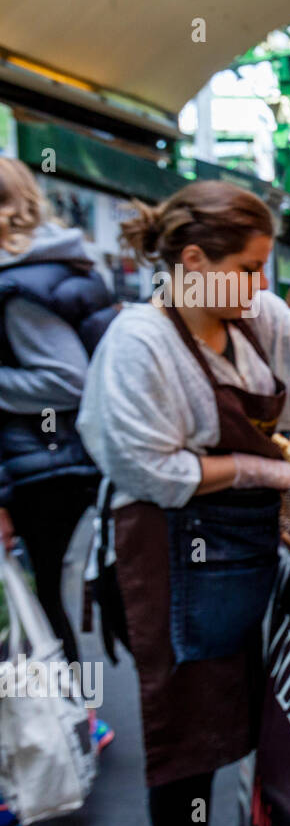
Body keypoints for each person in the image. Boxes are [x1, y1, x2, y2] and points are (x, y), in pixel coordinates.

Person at [77, 180, 290, 826]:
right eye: (247, 268)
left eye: (264, 267)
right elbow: (153, 471)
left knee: (235, 708)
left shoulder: (258, 318)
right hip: (167, 557)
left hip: (237, 555)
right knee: (190, 734)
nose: (260, 282)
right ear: (193, 262)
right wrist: (273, 471)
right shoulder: (140, 342)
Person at [0, 158, 111, 689]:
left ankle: (69, 717)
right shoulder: (52, 268)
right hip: (56, 459)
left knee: (40, 600)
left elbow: (67, 379)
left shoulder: (19, 285)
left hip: (44, 463)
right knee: (45, 594)